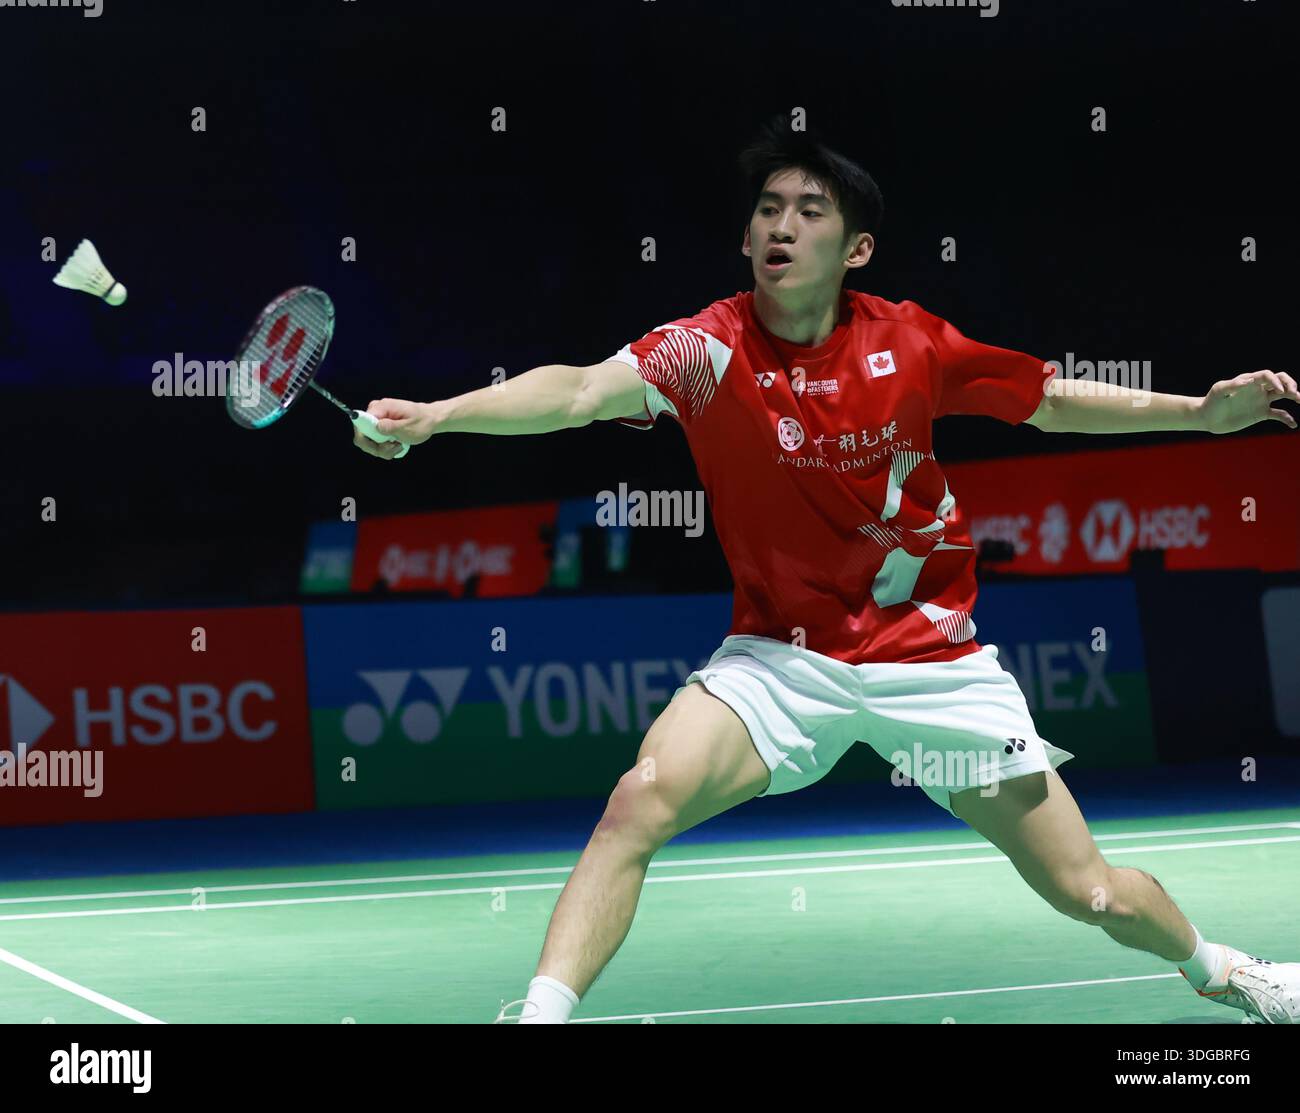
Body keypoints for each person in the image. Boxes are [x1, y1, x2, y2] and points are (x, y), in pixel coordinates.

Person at [354, 117, 1300, 1025]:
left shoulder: (915, 342)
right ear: (746, 234)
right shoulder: (703, 350)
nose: (782, 224)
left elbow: (1046, 400)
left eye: (811, 209)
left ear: (856, 249)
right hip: (780, 659)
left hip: (932, 661)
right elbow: (576, 391)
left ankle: (1223, 970)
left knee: (1088, 891)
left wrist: (1197, 413)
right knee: (640, 798)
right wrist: (441, 414)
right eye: (769, 207)